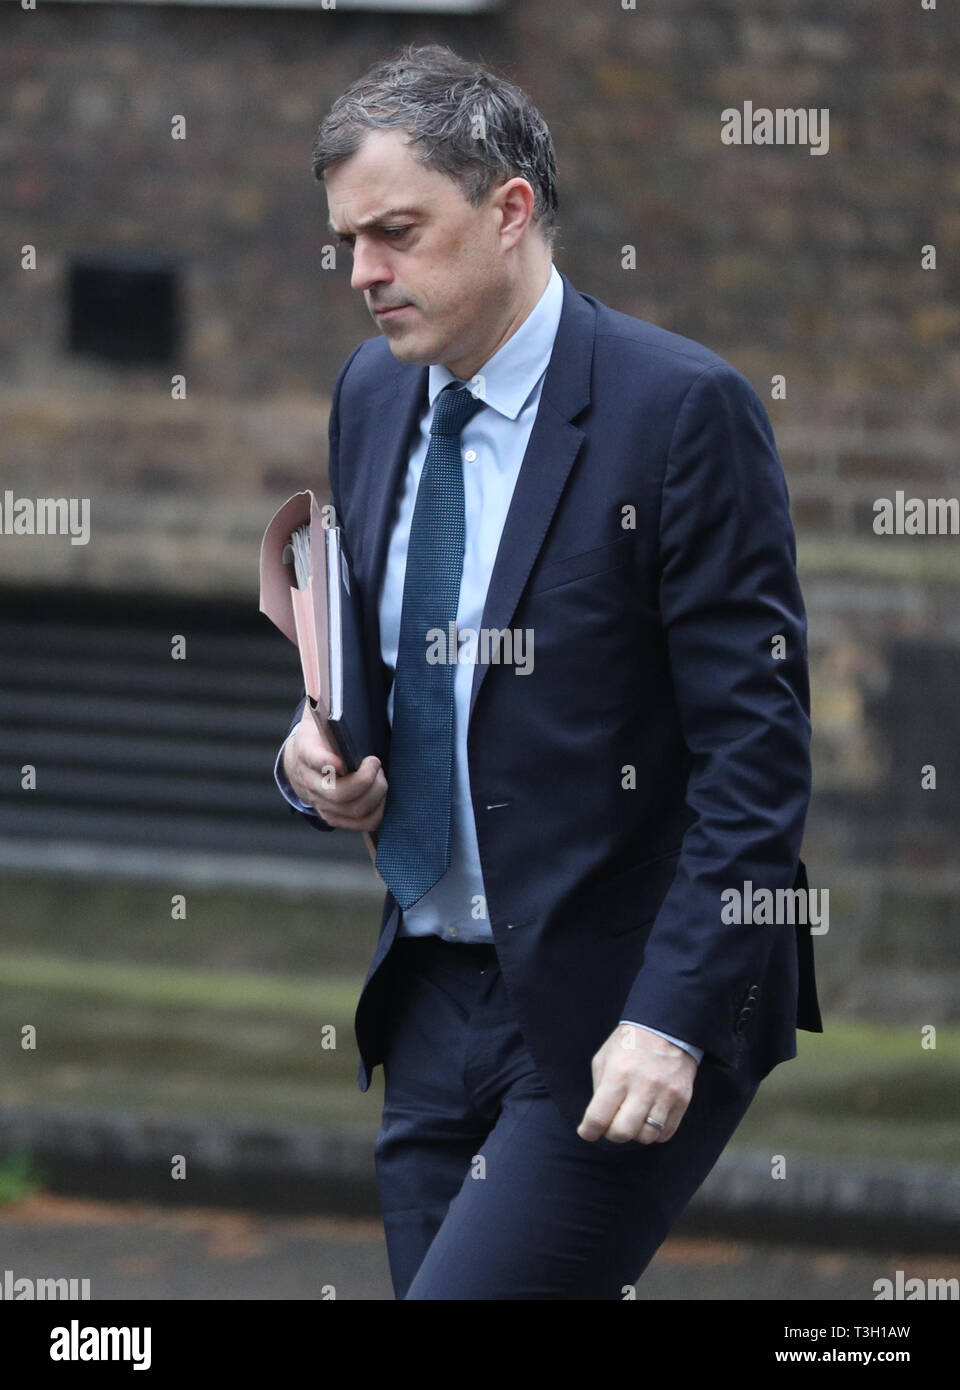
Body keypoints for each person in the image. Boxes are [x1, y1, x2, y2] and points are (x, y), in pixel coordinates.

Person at [274, 42, 822, 1300]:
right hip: (429, 991)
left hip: (615, 1004)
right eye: (348, 241)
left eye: (397, 233)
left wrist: (677, 1016)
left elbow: (758, 753)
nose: (364, 274)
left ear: (509, 208)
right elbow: (367, 663)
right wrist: (312, 758)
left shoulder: (680, 411)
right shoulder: (374, 391)